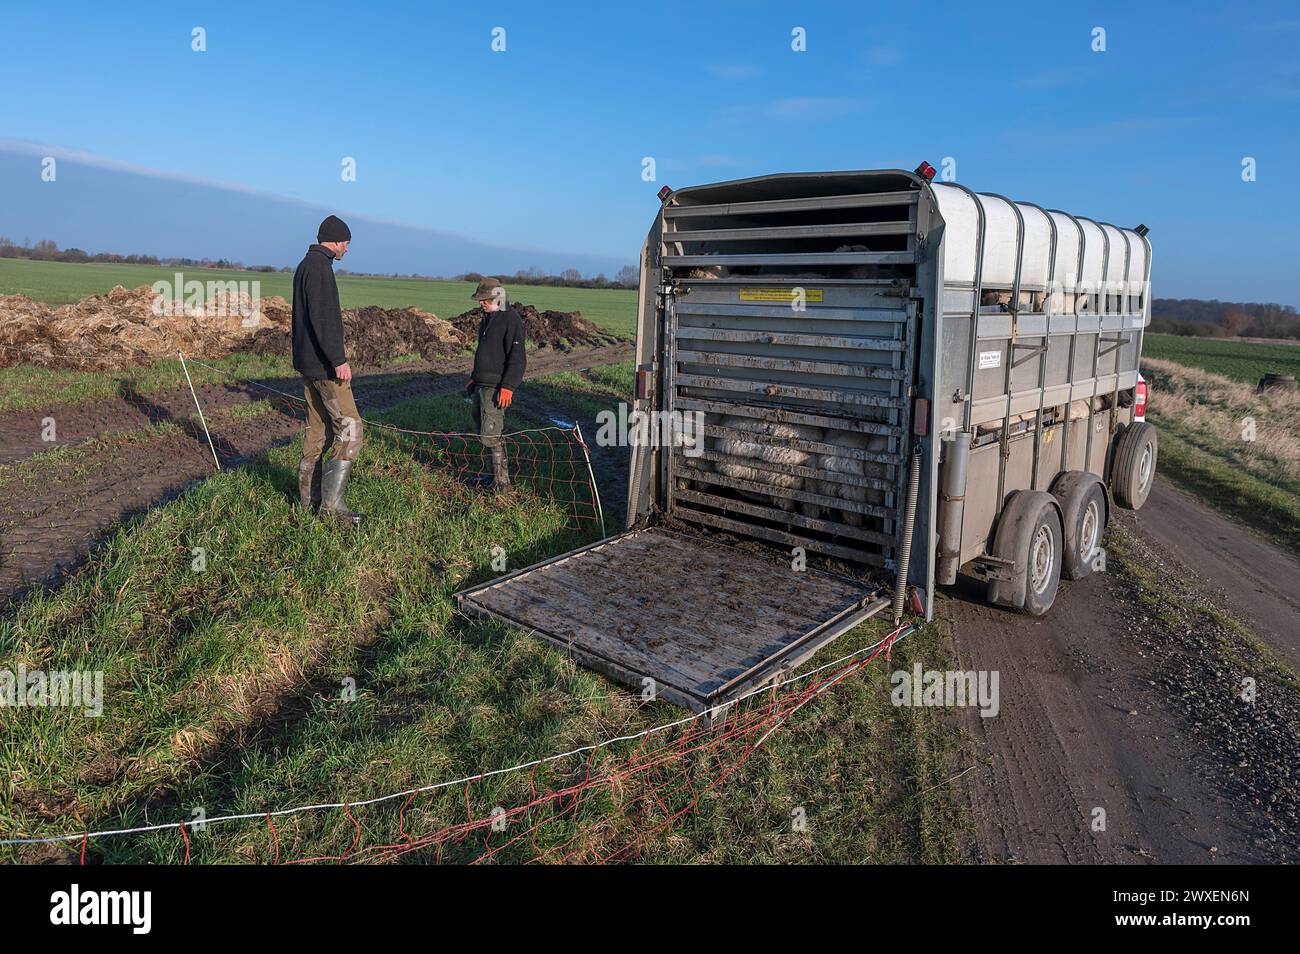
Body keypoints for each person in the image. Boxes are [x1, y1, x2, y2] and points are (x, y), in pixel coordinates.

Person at [292, 215, 363, 524]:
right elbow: (323, 320)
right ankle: (332, 508)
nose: (347, 249)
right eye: (346, 243)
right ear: (335, 241)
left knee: (318, 430)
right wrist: (338, 359)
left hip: (309, 365)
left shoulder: (306, 265)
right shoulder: (320, 269)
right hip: (325, 368)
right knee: (351, 431)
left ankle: (309, 502)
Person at [465, 277, 526, 491]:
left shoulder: (511, 319)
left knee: (492, 433)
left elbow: (517, 358)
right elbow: (485, 353)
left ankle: (502, 482)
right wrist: (474, 376)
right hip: (481, 384)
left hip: (496, 387)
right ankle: (493, 477)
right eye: (480, 299)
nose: (481, 302)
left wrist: (508, 386)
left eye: (485, 299)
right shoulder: (486, 318)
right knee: (483, 431)